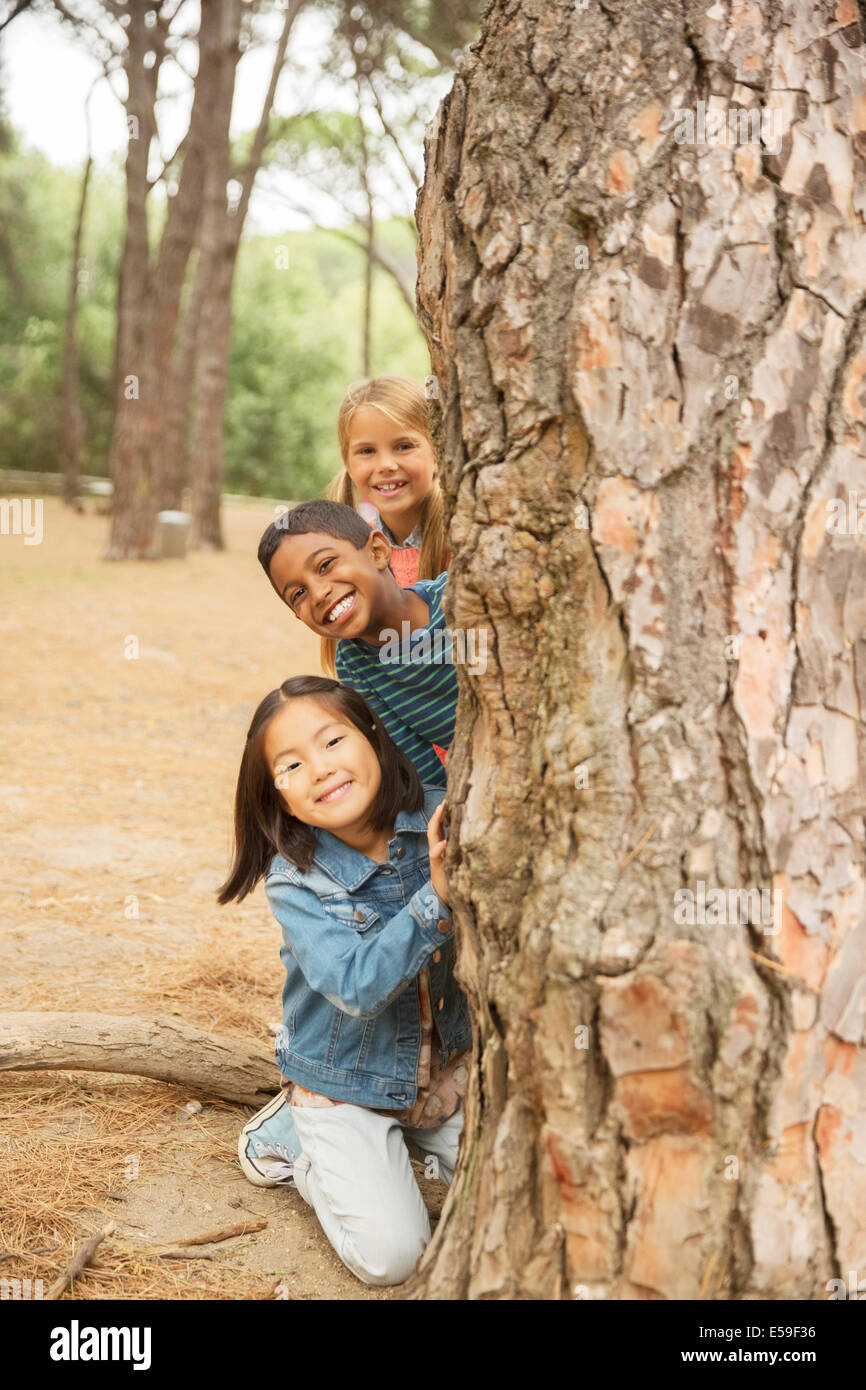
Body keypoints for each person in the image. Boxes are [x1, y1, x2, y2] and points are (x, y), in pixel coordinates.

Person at [217, 676, 471, 1286]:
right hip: (345, 1082)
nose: (321, 770)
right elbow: (356, 987)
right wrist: (433, 901)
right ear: (277, 798)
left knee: (522, 1193)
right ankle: (295, 1142)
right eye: (292, 765)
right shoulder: (296, 882)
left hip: (443, 1075)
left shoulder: (446, 815)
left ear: (374, 736)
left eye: (334, 741)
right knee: (394, 1258)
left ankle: (401, 1144)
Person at [257, 499, 456, 788]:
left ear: (377, 551)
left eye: (325, 565)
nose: (318, 593)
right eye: (298, 593)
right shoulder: (354, 666)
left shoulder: (457, 598)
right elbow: (419, 770)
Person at [321, 375, 449, 679]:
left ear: (437, 453)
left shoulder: (465, 538)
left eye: (404, 446)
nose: (386, 464)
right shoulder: (352, 552)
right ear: (349, 465)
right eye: (367, 451)